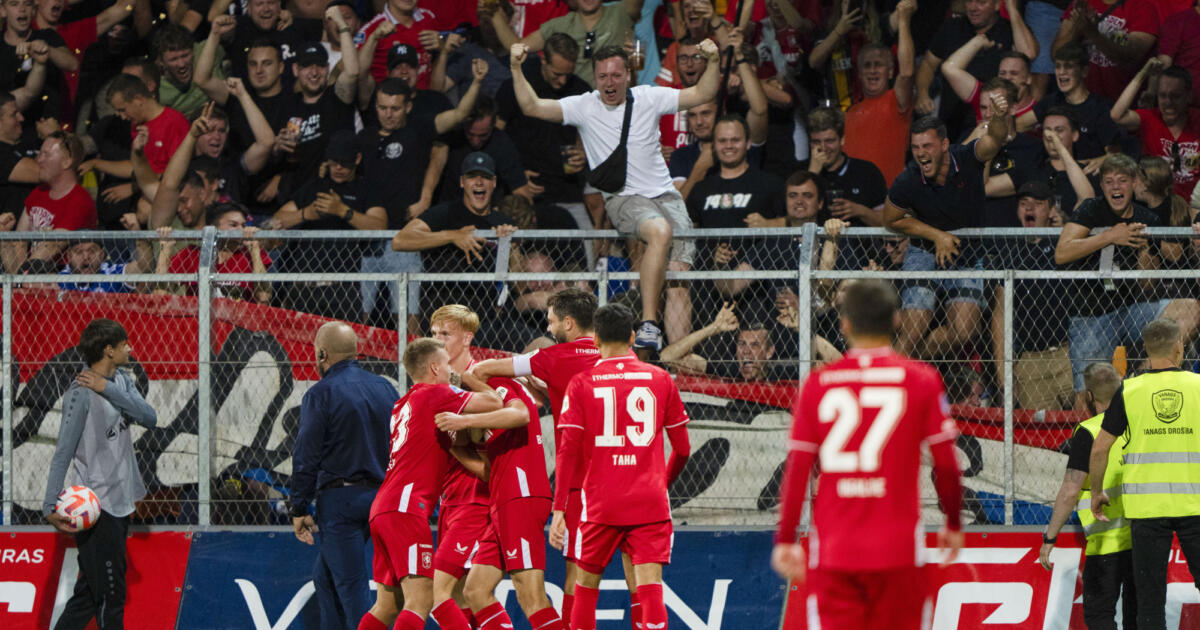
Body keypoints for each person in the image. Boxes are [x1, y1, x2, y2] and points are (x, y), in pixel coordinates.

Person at [772, 279, 965, 628]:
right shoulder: (921, 379)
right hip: (898, 549)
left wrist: (786, 538)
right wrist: (953, 520)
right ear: (896, 320)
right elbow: (947, 465)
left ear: (844, 323)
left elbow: (798, 468)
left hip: (835, 550)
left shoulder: (818, 384)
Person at [508, 40, 722, 354]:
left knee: (678, 279)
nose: (610, 82)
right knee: (660, 231)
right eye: (603, 76)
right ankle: (649, 324)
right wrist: (515, 67)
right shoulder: (585, 105)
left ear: (628, 76)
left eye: (616, 75)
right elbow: (532, 106)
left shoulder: (648, 97)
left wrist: (714, 59)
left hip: (666, 196)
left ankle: (679, 362)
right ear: (595, 78)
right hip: (625, 198)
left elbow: (702, 94)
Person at [468, 287, 604, 624]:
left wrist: (500, 401)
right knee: (640, 578)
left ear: (569, 324)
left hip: (579, 482)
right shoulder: (615, 355)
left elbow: (483, 370)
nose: (548, 328)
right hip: (622, 474)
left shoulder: (552, 358)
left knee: (577, 573)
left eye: (553, 322)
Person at [556, 302, 692, 630]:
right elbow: (684, 449)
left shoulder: (582, 383)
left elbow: (567, 451)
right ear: (632, 336)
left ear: (595, 339)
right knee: (649, 589)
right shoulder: (660, 379)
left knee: (585, 588)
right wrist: (662, 483)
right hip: (649, 502)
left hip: (601, 503)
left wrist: (560, 507)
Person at [429, 304, 566, 630]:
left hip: (514, 495)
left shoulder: (491, 378)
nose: (437, 340)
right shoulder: (455, 386)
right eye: (434, 334)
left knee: (529, 596)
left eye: (444, 334)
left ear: (467, 338)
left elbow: (519, 413)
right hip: (496, 498)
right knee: (475, 591)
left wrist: (463, 419)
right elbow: (489, 466)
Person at [358, 337, 502, 630]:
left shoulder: (404, 403)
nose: (451, 370)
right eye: (448, 365)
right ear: (435, 368)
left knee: (388, 606)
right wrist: (470, 378)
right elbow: (494, 402)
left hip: (384, 508)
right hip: (406, 510)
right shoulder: (437, 393)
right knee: (422, 600)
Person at [42, 318, 158, 630]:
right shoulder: (79, 394)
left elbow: (149, 417)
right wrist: (49, 506)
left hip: (120, 501)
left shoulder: (120, 381)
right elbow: (63, 451)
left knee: (89, 595)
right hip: (95, 506)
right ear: (109, 350)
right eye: (125, 345)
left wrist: (107, 388)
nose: (130, 349)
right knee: (110, 596)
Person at [1089, 318, 1200, 630]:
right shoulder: (1198, 387)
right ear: (1180, 347)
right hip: (1195, 505)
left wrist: (1097, 492)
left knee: (1149, 603)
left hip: (1147, 511)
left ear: (1147, 350)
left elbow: (1099, 449)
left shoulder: (1130, 391)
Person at [289, 321, 398, 630]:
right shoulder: (385, 388)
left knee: (352, 590)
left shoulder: (320, 394)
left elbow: (305, 457)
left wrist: (298, 507)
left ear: (323, 353)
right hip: (382, 497)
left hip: (340, 501)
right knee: (324, 580)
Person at [883, 108, 1010, 361]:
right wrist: (936, 236)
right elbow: (890, 218)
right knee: (913, 330)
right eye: (916, 147)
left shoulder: (965, 158)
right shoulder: (908, 179)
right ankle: (891, 381)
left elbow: (994, 140)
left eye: (927, 146)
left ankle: (913, 364)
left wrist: (998, 117)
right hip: (923, 249)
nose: (921, 154)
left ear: (944, 145)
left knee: (964, 333)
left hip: (968, 251)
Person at [1039, 361, 1136, 629]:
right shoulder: (1139, 427)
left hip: (1105, 545)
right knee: (1140, 614)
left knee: (1099, 615)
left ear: (1089, 396)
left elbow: (1070, 491)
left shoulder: (1089, 432)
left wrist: (1050, 537)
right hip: (1143, 539)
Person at [841, 0, 916, 185]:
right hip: (855, 202)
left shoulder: (895, 100)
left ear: (891, 71)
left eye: (879, 65)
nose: (873, 70)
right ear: (859, 73)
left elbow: (907, 73)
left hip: (889, 200)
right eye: (867, 66)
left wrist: (904, 21)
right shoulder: (849, 113)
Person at [1110, 61, 1199, 199]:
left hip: (1194, 207)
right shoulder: (1150, 117)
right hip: (1155, 206)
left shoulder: (1197, 119)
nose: (1168, 102)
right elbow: (1117, 115)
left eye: (1175, 96)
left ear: (1188, 96)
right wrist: (1142, 74)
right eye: (1162, 96)